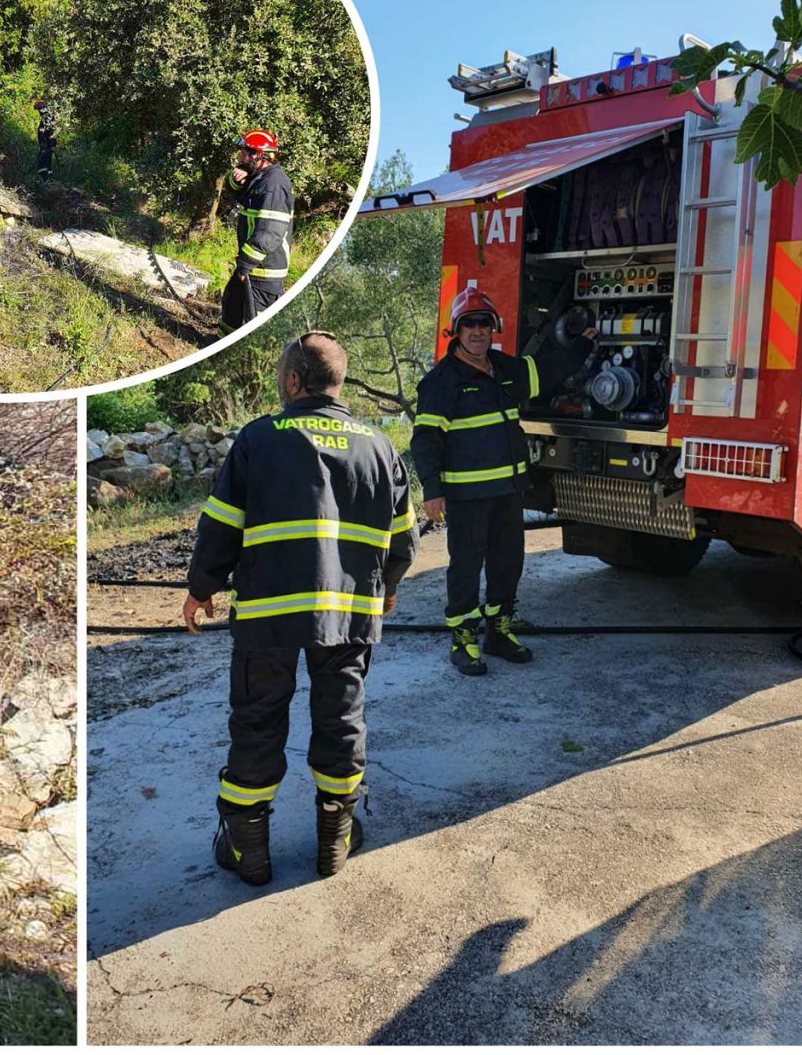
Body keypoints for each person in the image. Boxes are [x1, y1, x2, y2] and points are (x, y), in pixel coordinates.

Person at [183, 332, 415, 886]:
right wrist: (389, 587)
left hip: (269, 612)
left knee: (257, 721)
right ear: (338, 382)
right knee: (341, 721)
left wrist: (201, 587)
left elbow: (220, 525)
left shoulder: (259, 438)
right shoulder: (379, 445)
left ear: (292, 381)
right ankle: (334, 840)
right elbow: (403, 538)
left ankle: (248, 849)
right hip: (349, 614)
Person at [413, 287, 541, 677]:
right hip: (467, 497)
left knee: (508, 564)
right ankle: (463, 638)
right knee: (466, 567)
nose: (477, 331)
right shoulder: (441, 381)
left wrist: (580, 342)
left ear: (494, 328)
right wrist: (432, 490)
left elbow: (546, 371)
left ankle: (498, 633)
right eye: (469, 324)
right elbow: (425, 439)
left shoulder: (504, 370)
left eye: (484, 323)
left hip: (507, 493)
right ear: (456, 331)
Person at [220, 130, 294, 331]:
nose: (240, 158)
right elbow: (234, 191)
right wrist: (236, 179)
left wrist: (245, 263)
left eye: (244, 154)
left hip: (264, 270)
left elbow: (270, 233)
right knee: (232, 306)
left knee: (253, 323)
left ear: (260, 155)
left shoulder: (274, 185)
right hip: (250, 265)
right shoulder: (259, 177)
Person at [35, 100, 60, 178]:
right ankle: (49, 180)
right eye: (38, 109)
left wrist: (47, 145)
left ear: (44, 108)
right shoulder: (46, 117)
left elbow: (50, 132)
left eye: (40, 109)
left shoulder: (47, 117)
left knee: (42, 164)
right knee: (47, 163)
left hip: (46, 145)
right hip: (47, 145)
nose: (39, 111)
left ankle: (46, 180)